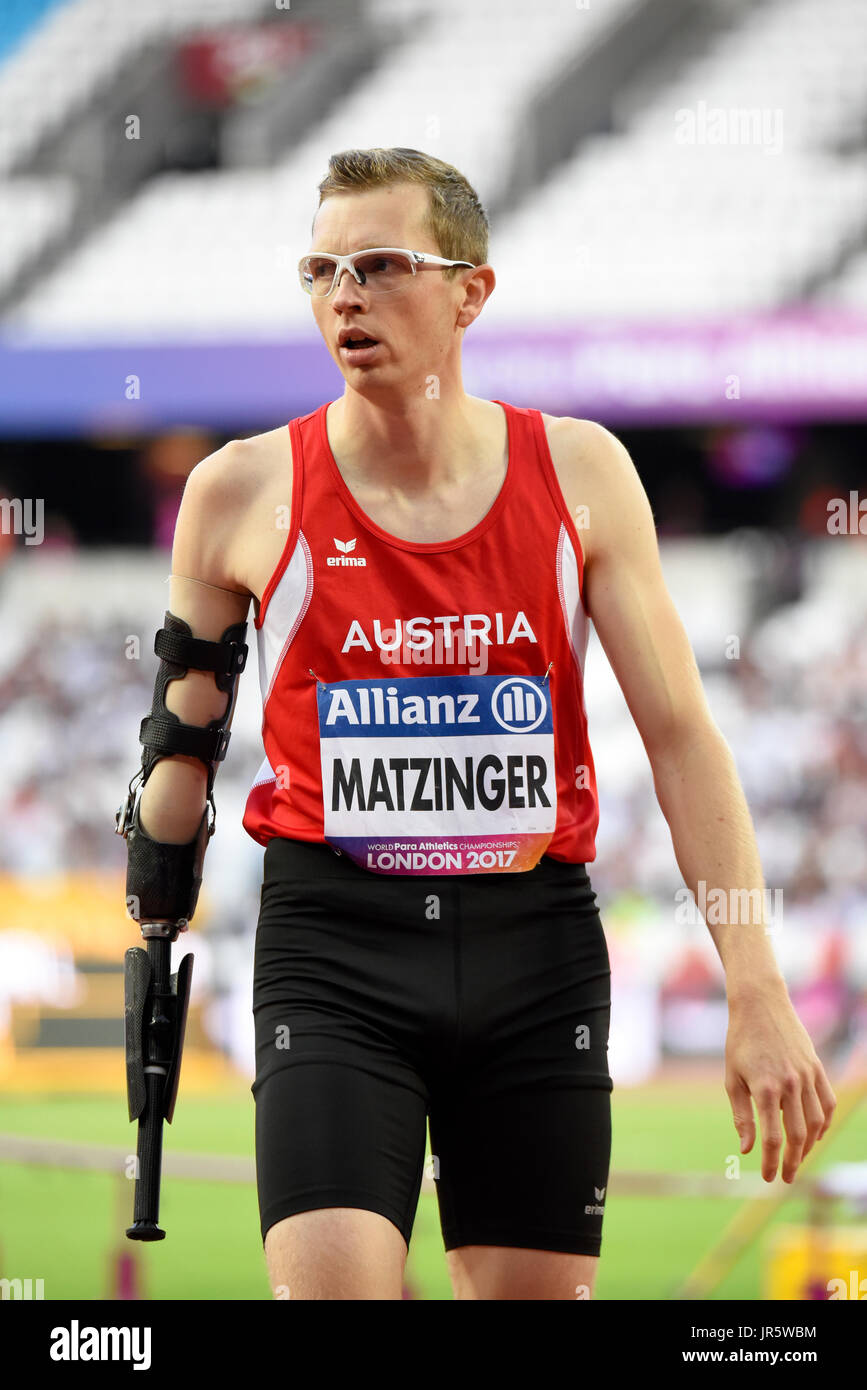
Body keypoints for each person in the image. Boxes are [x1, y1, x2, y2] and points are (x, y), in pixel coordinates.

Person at [128, 147, 836, 1300]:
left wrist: (756, 986)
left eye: (381, 264)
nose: (345, 295)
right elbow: (183, 739)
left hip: (534, 953)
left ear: (472, 291)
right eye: (321, 269)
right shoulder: (239, 490)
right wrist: (154, 895)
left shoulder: (583, 473)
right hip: (334, 947)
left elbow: (683, 737)